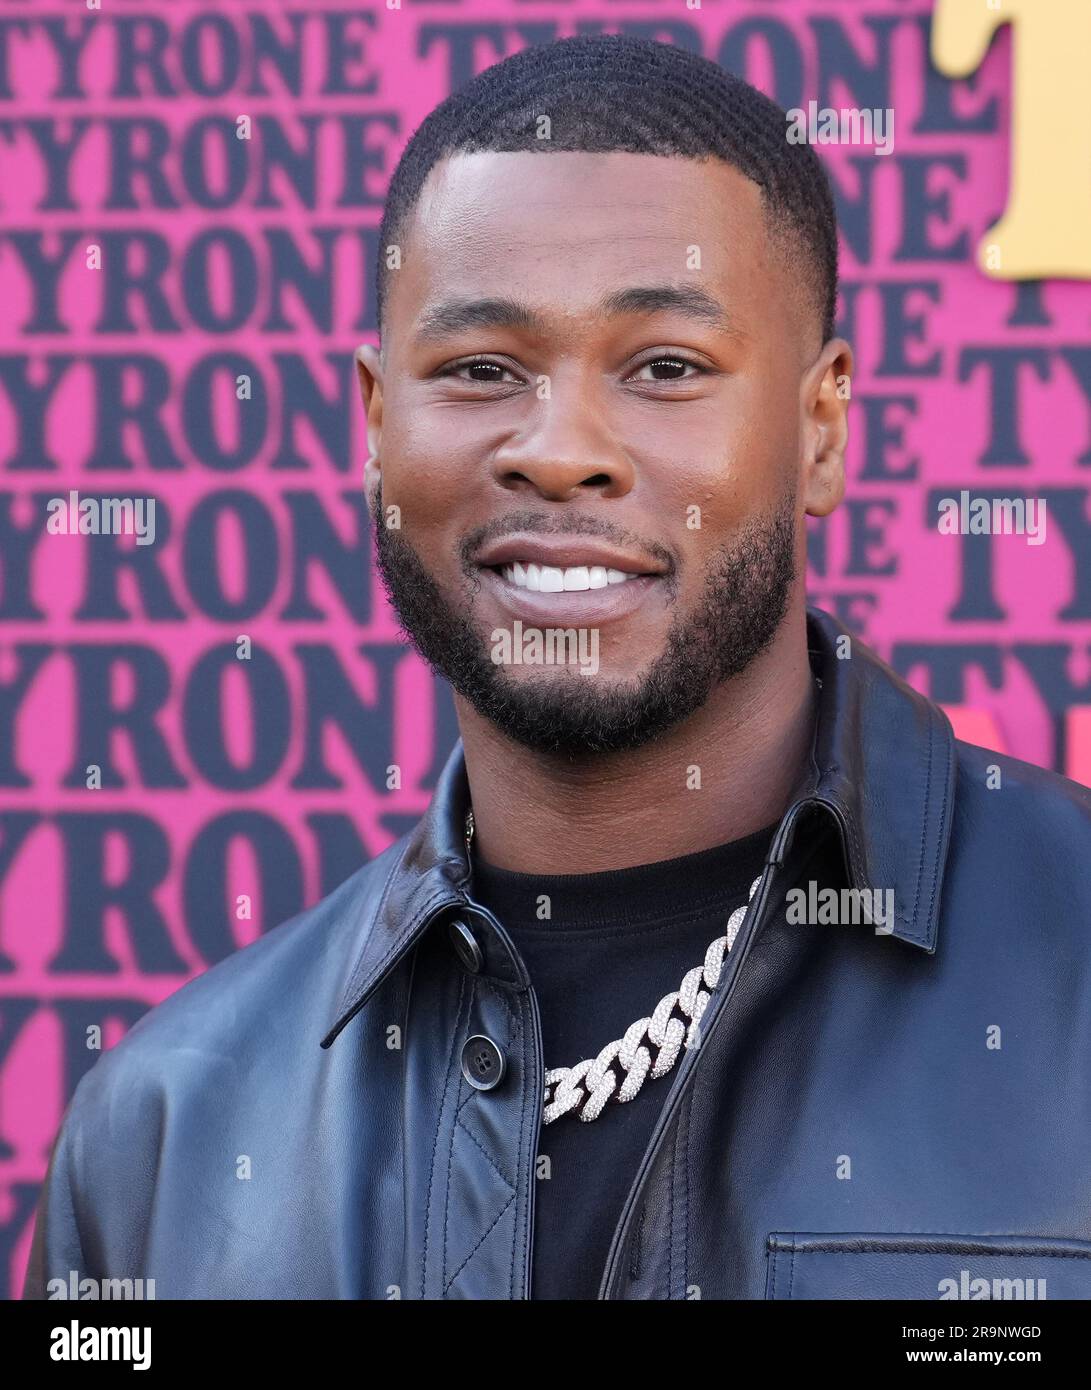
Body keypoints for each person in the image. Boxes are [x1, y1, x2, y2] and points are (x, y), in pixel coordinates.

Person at [24, 34, 1091, 1302]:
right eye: (482, 369)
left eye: (664, 369)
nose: (560, 450)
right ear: (375, 427)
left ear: (818, 432)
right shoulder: (160, 1130)